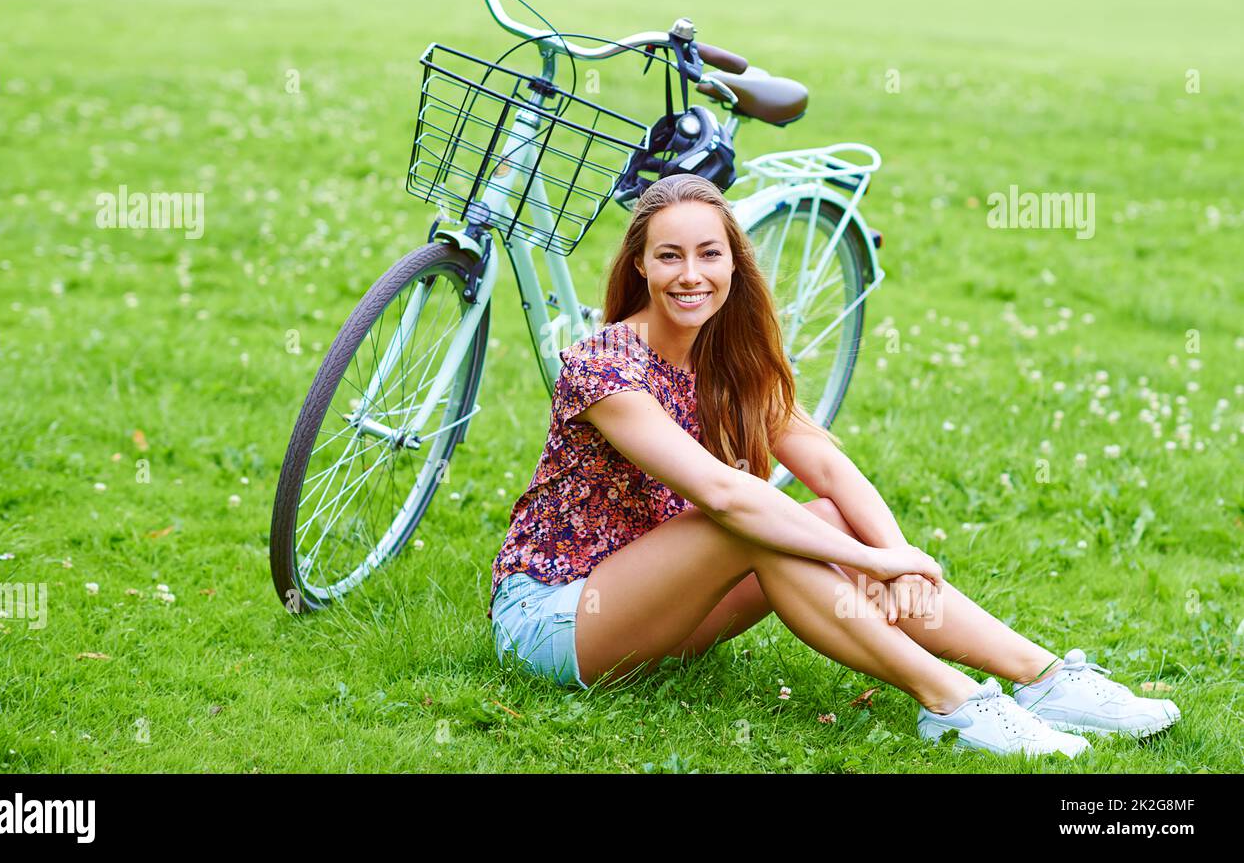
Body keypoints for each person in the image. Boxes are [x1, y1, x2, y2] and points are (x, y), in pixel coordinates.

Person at [487, 173, 1181, 758]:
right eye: (669, 256)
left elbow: (826, 465)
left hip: (665, 606)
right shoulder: (602, 365)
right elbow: (723, 495)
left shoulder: (728, 360)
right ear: (640, 264)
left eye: (709, 254)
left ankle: (1043, 676)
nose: (691, 274)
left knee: (812, 515)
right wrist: (871, 562)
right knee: (752, 523)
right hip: (559, 618)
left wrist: (898, 555)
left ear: (735, 262)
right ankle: (956, 703)